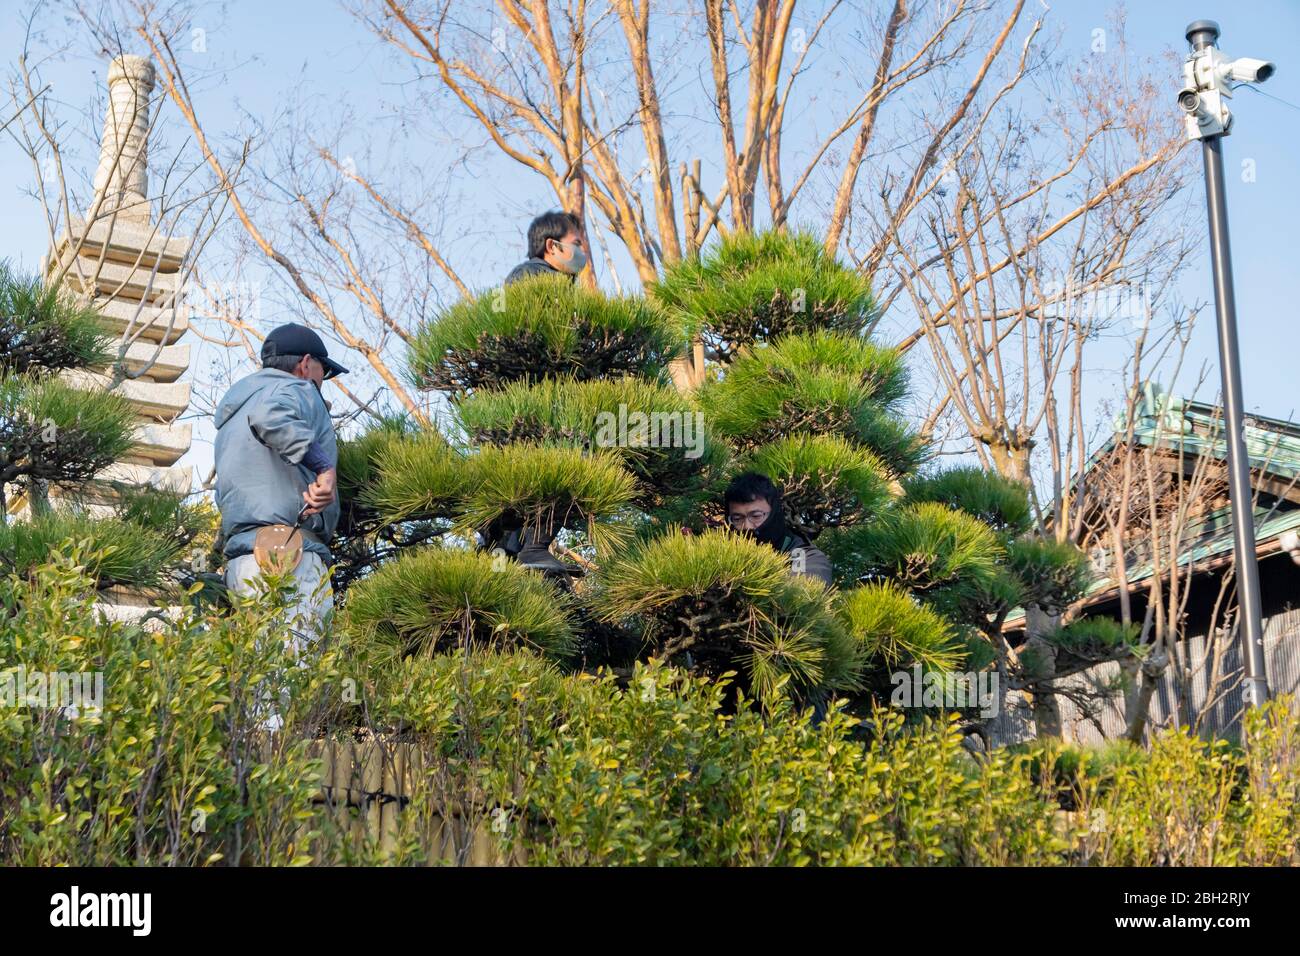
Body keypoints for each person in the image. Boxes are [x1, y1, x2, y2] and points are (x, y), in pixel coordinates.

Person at [214, 323, 348, 647]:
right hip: (288, 559)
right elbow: (271, 416)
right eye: (323, 371)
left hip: (243, 563)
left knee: (259, 684)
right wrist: (324, 469)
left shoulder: (232, 418)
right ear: (305, 364)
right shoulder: (299, 389)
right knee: (296, 681)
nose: (322, 383)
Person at [722, 471, 833, 586]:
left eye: (756, 516)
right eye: (737, 519)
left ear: (774, 513)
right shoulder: (721, 555)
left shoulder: (805, 556)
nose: (747, 526)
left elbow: (802, 595)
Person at [503, 210, 588, 285]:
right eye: (576, 244)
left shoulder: (570, 286)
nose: (583, 250)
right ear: (551, 246)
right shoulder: (525, 275)